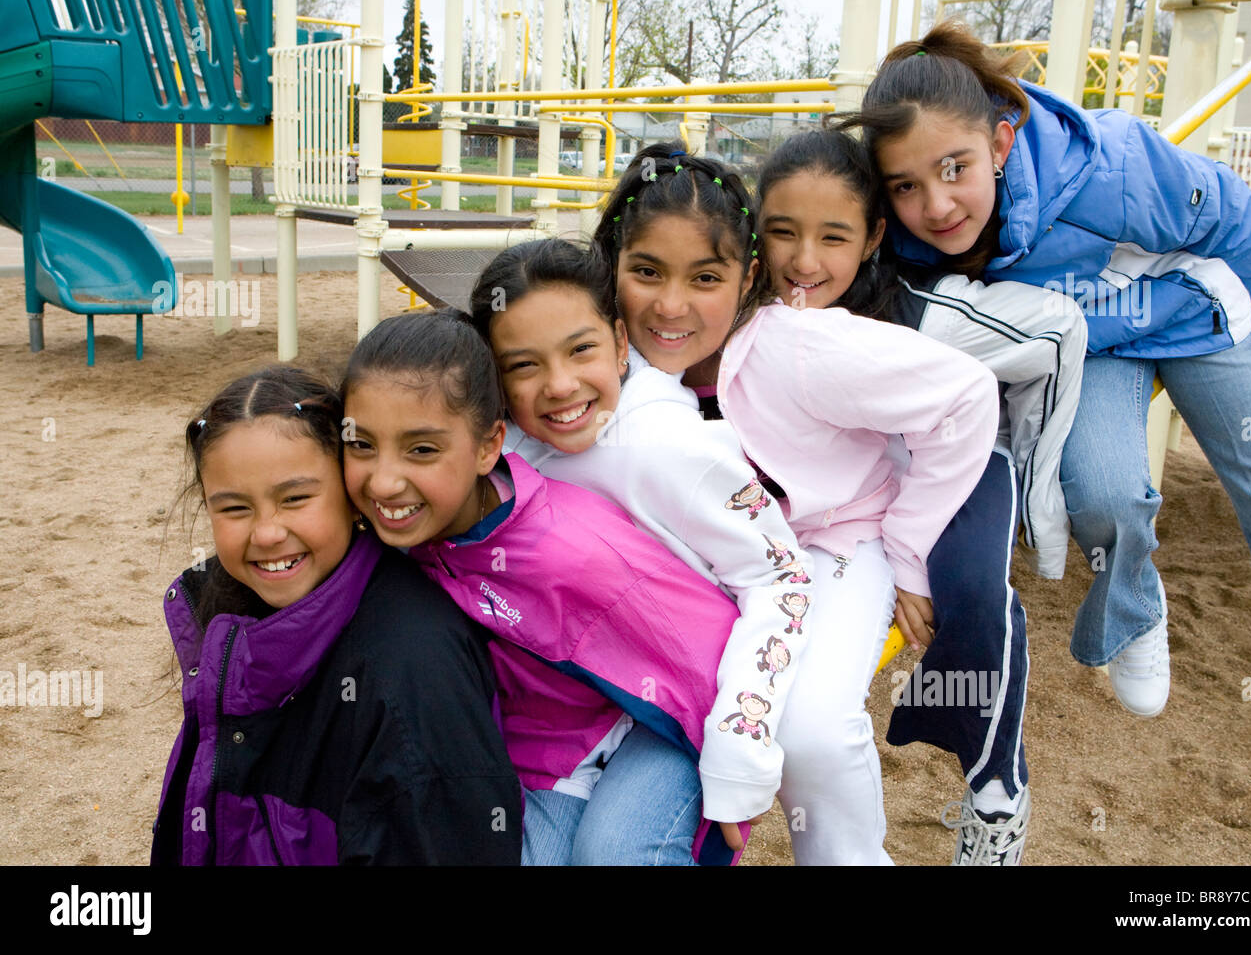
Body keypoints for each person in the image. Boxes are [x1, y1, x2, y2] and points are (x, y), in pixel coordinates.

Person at [856, 20, 1251, 717]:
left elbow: (1228, 213)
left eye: (954, 170)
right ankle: (1134, 606)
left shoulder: (1113, 168)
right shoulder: (913, 243)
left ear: (1000, 142)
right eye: (906, 187)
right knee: (1101, 495)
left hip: (1197, 311)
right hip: (1095, 342)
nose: (936, 206)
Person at [592, 142, 1001, 865]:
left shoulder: (798, 345)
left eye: (705, 277)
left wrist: (910, 551)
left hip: (833, 541)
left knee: (809, 728)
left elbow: (967, 396)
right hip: (734, 557)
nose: (673, 304)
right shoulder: (615, 363)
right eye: (648, 272)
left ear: (743, 277)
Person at [753, 127, 1087, 864]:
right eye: (782, 233)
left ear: (869, 237)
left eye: (832, 237)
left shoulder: (917, 310)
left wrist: (1039, 496)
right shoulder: (764, 310)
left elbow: (1054, 337)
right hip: (873, 478)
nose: (804, 261)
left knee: (969, 587)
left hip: (963, 453)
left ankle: (996, 784)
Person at [339, 308, 750, 866]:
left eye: (422, 449)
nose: (384, 480)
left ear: (489, 448)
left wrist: (732, 772)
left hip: (665, 723)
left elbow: (703, 646)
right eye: (361, 445)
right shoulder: (404, 526)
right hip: (552, 742)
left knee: (617, 855)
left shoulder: (574, 552)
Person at [466, 237, 816, 854]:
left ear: (622, 343)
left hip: (680, 703)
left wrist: (742, 738)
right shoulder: (505, 459)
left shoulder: (673, 447)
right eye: (523, 366)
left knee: (613, 851)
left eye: (582, 350)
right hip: (576, 713)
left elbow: (781, 578)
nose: (559, 384)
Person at [152, 366, 522, 866]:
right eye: (235, 508)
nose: (266, 533)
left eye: (296, 499)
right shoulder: (228, 617)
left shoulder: (411, 672)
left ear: (352, 497)